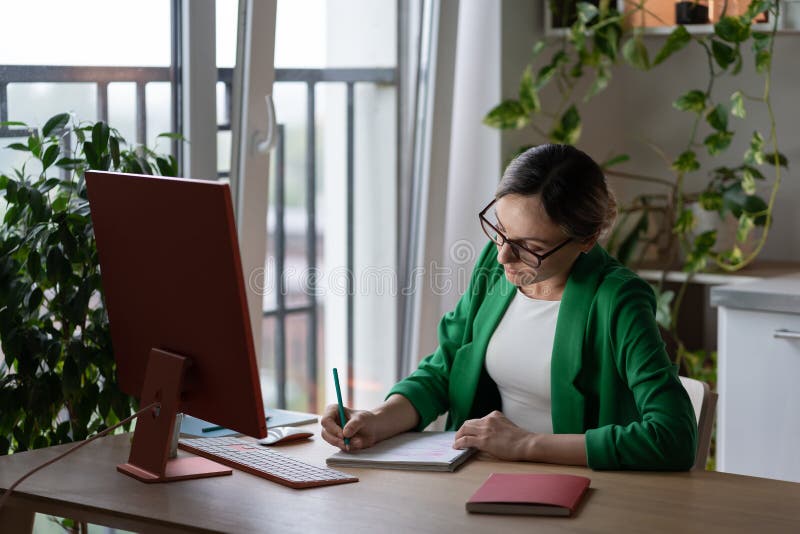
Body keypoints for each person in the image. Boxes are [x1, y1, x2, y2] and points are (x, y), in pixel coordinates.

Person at [321, 144, 697, 470]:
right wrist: (377, 419)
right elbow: (445, 369)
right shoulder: (495, 265)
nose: (503, 255)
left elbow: (673, 437)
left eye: (530, 246)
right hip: (480, 475)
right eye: (500, 229)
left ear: (587, 239)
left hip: (576, 492)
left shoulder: (618, 300)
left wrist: (525, 444)